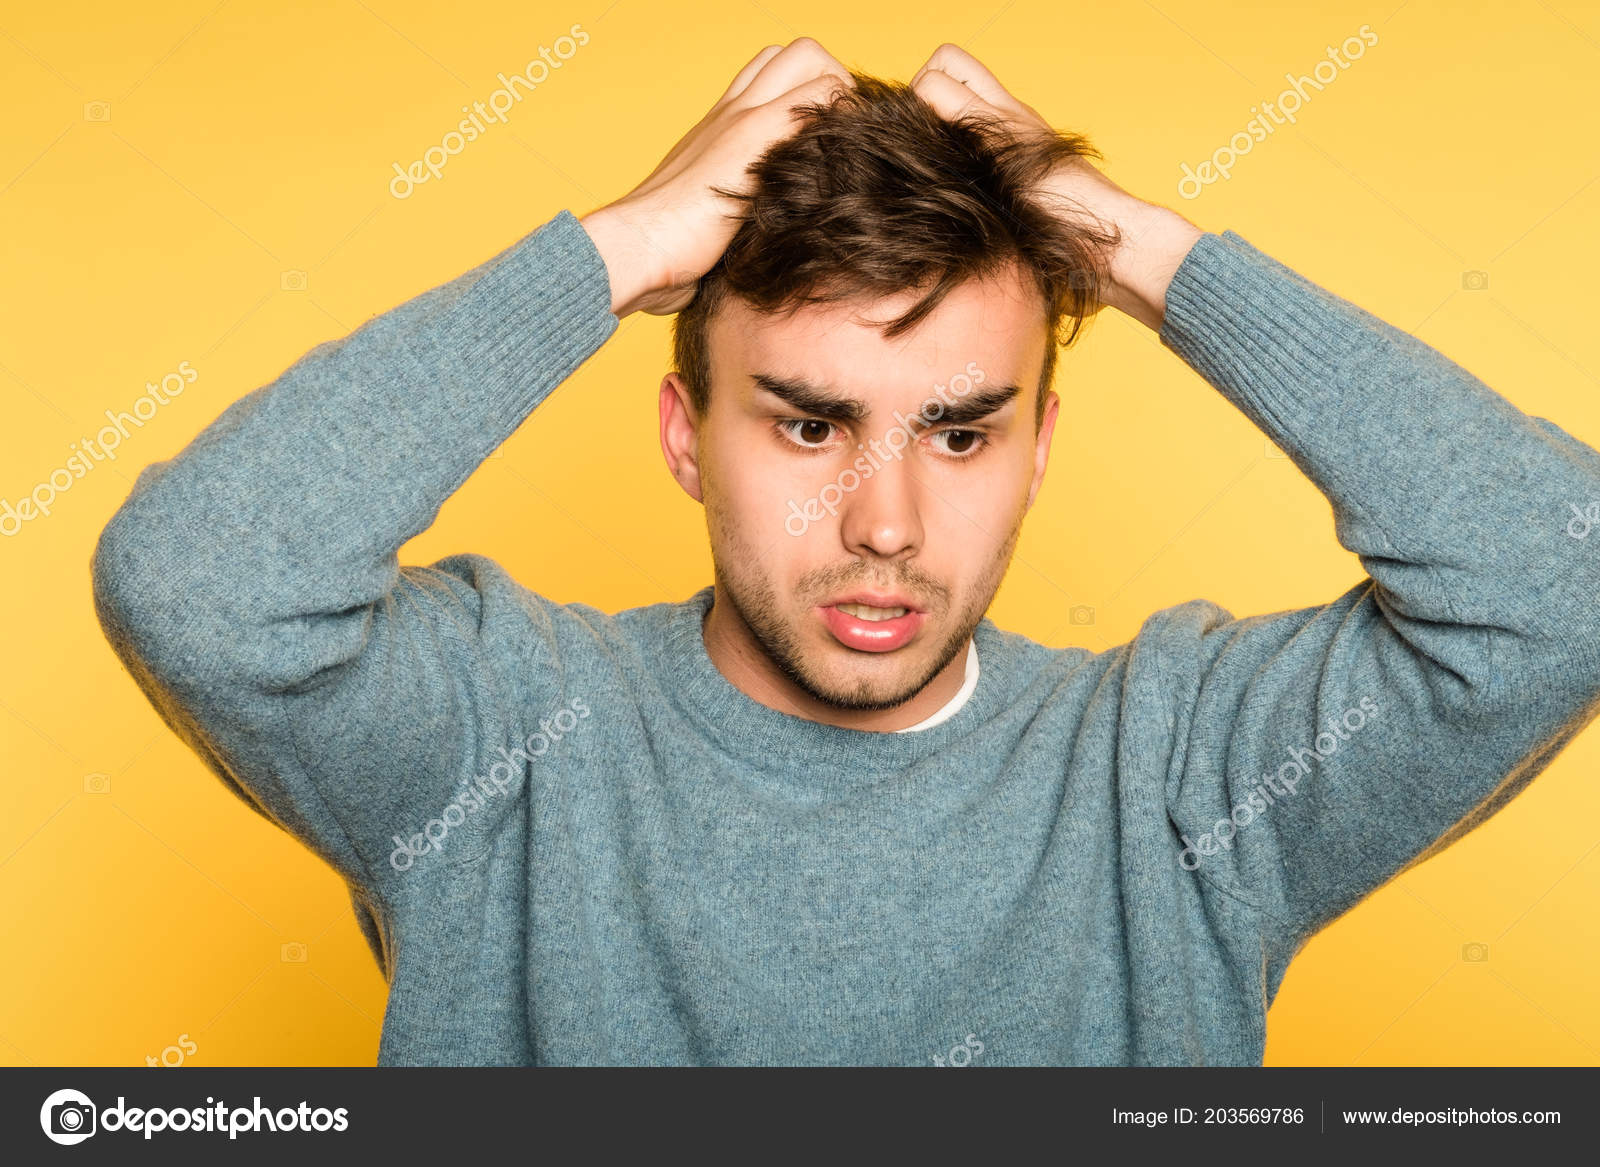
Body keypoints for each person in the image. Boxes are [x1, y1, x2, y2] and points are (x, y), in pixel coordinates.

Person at [91, 39, 1600, 1066]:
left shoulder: (1186, 774)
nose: (886, 524)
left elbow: (1560, 581)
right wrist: (621, 247)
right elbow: (203, 581)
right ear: (685, 435)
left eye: (959, 433)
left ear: (1041, 450)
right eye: (810, 427)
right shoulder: (500, 739)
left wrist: (1119, 240)